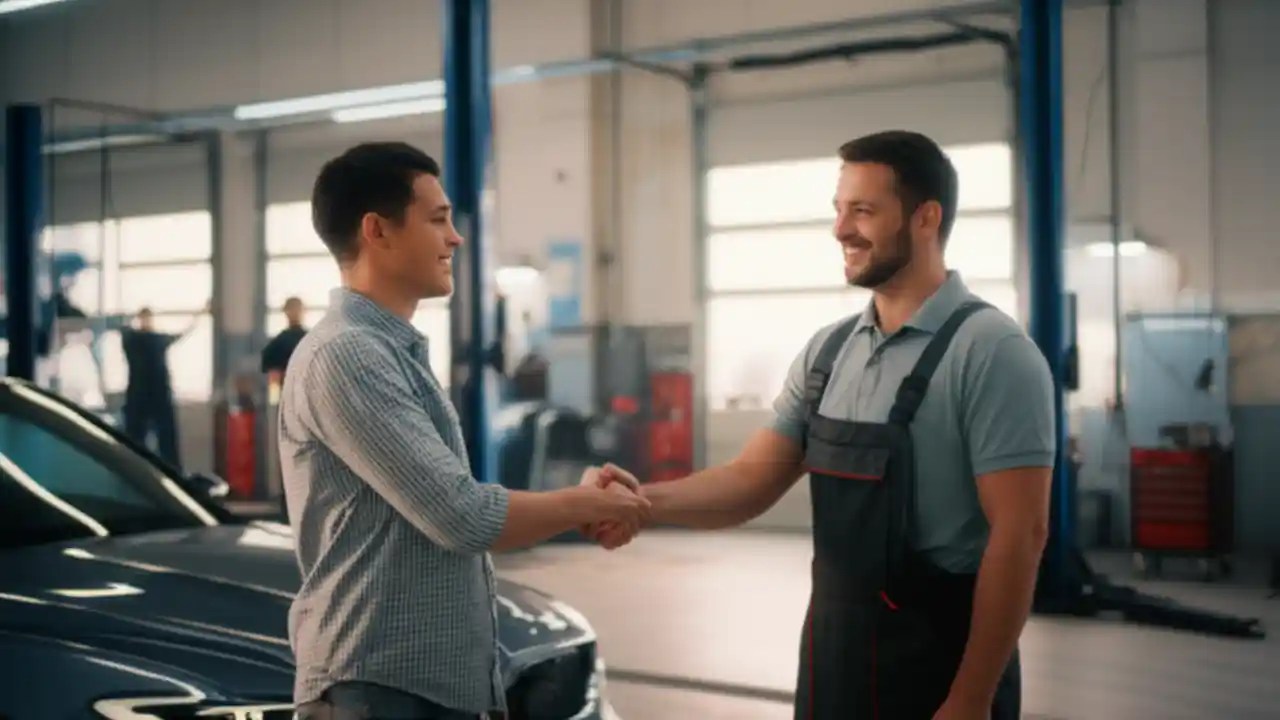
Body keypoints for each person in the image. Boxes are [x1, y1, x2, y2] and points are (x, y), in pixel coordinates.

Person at [591, 130, 1055, 720]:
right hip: (834, 665)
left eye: (863, 211)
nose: (841, 230)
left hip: (939, 674)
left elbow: (1020, 536)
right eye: (839, 210)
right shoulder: (829, 352)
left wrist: (971, 698)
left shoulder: (992, 353)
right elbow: (748, 482)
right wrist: (640, 502)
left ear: (925, 218)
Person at [278, 141, 649, 720]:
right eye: (437, 219)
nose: (455, 238)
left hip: (415, 686)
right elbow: (461, 515)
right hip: (379, 686)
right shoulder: (349, 355)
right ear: (377, 231)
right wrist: (583, 503)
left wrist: (578, 500)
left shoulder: (389, 351)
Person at [120, 303, 208, 467]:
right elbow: (181, 334)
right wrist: (201, 313)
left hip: (141, 396)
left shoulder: (134, 339)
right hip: (153, 395)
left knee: (137, 444)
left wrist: (201, 313)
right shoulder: (149, 340)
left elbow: (182, 333)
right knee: (158, 443)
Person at [261, 296, 308, 386]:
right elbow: (273, 377)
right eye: (292, 309)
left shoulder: (311, 341)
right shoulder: (276, 345)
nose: (295, 312)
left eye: (297, 309)